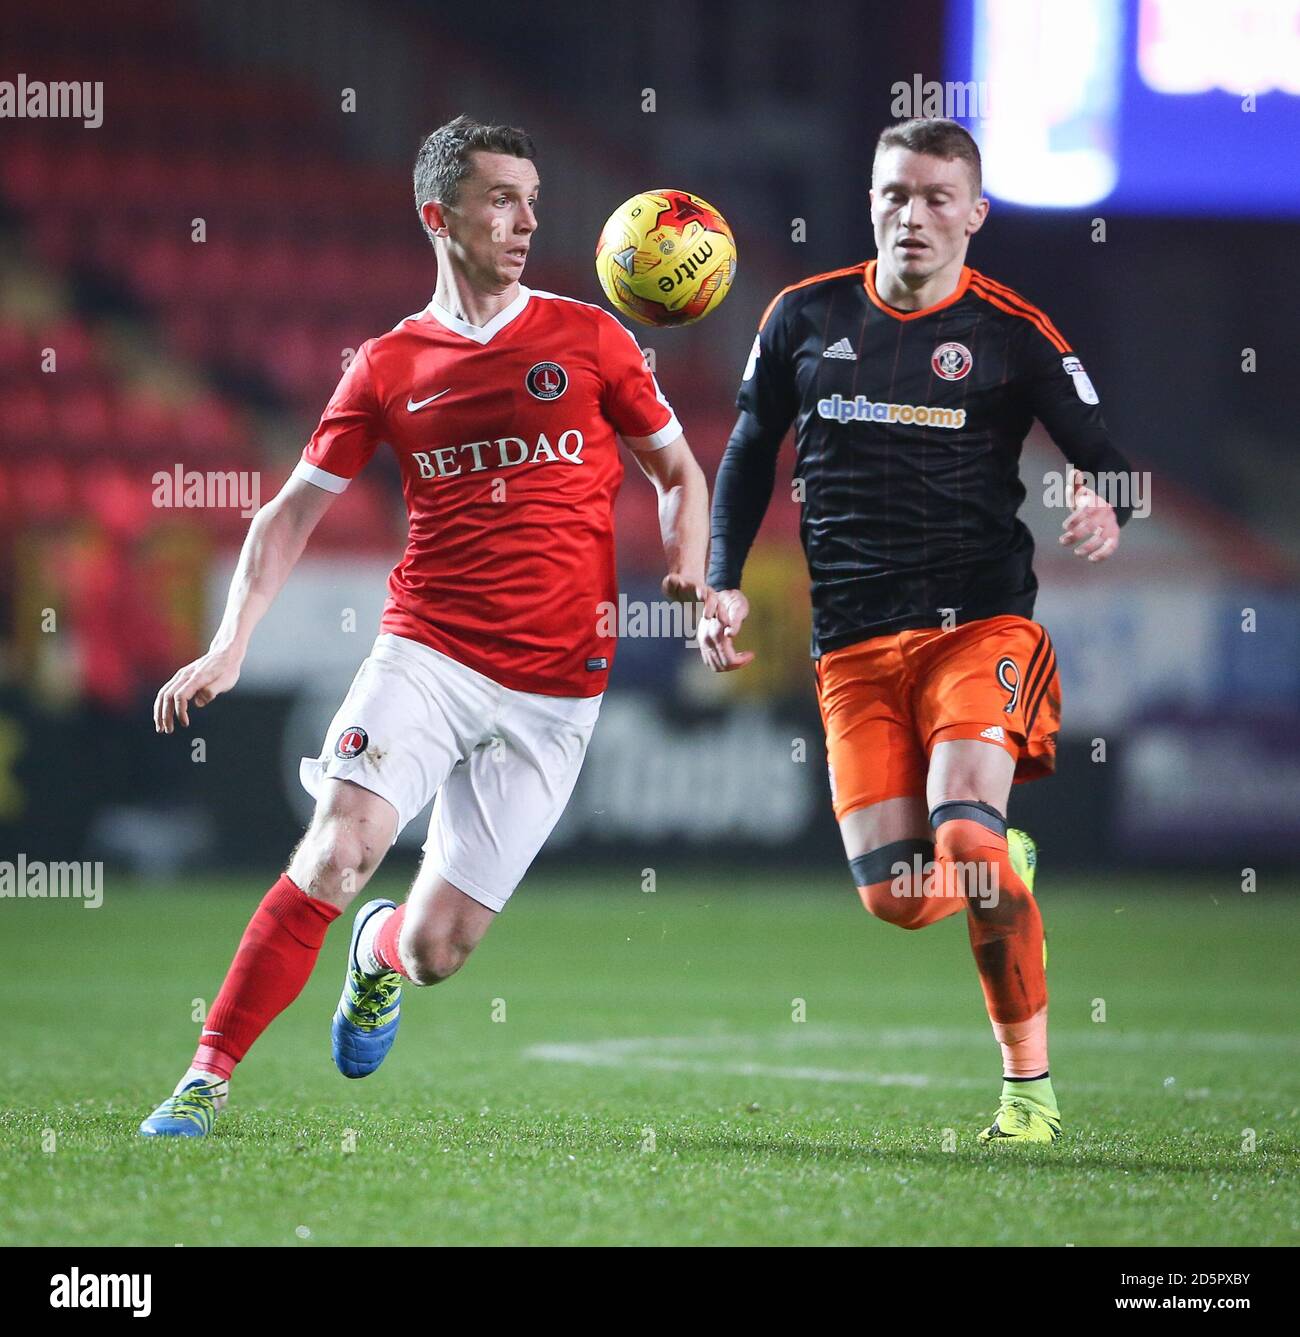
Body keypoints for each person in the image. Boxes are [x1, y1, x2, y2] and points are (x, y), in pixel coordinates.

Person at [140, 114, 713, 1136]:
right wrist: (231, 642)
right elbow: (290, 513)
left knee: (439, 951)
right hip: (428, 651)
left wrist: (686, 568)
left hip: (559, 685)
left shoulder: (590, 335)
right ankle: (205, 1075)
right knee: (338, 846)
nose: (528, 219)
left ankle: (375, 955)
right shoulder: (388, 364)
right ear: (436, 213)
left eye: (534, 199)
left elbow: (677, 470)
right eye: (503, 197)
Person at [699, 118, 1134, 1144]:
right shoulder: (803, 317)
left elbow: (1105, 454)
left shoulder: (1014, 331)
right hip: (851, 644)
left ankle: (1026, 1091)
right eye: (896, 193)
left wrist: (1102, 498)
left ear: (975, 215)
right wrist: (719, 580)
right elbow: (751, 447)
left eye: (939, 197)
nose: (914, 214)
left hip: (976, 627)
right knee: (897, 896)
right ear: (870, 202)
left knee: (965, 834)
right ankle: (1000, 865)